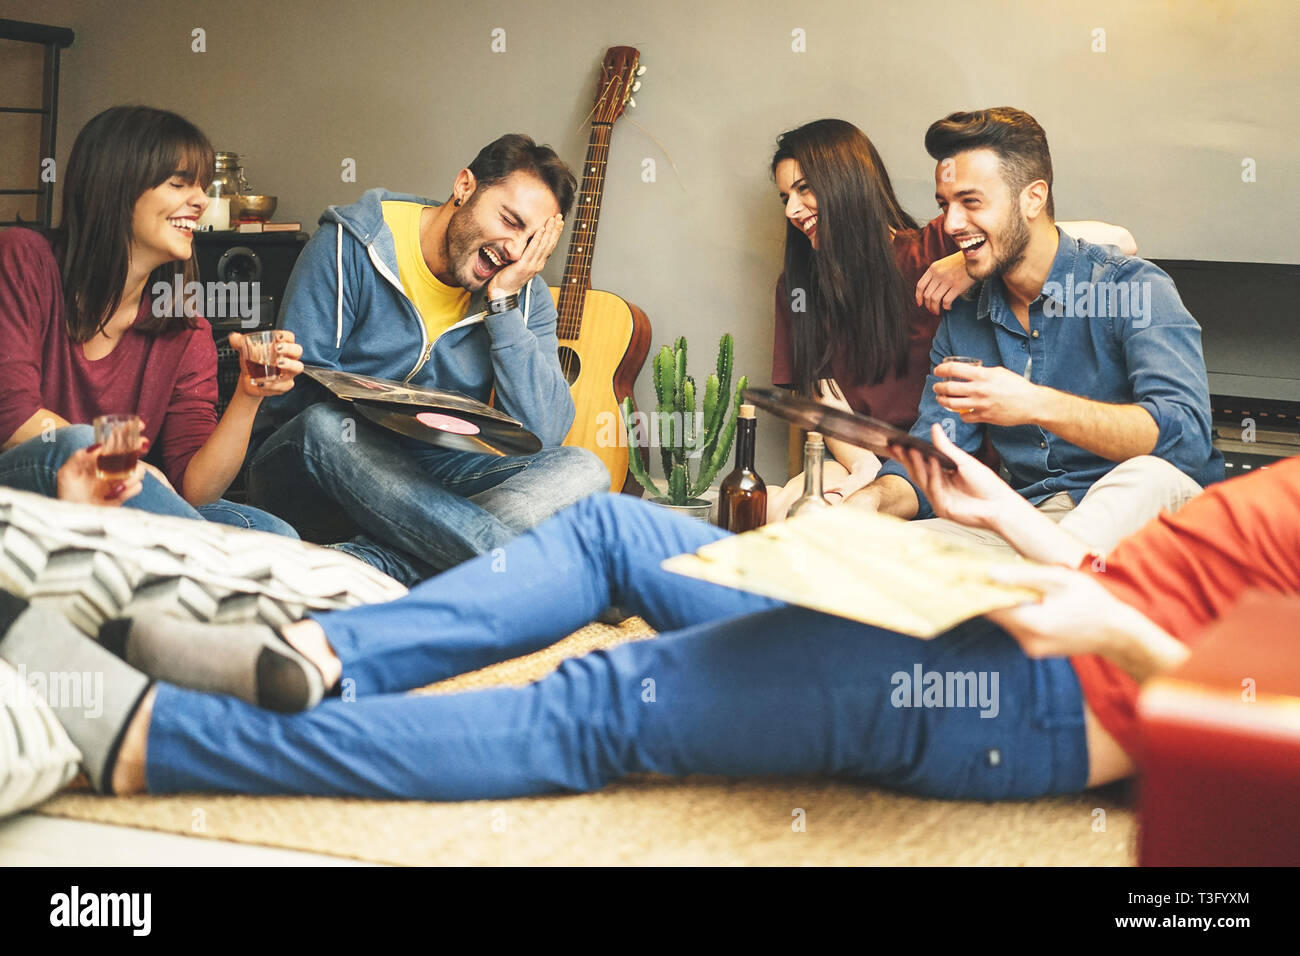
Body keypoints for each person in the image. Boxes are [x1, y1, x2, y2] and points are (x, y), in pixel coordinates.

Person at [3, 426, 1292, 803]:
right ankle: (323, 652)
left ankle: (153, 737)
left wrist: (1115, 639)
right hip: (1018, 604)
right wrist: (1000, 513)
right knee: (612, 523)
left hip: (1037, 698)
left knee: (608, 704)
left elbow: (1263, 758)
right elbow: (1199, 587)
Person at [843, 108, 1223, 555]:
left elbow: (1186, 440)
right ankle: (1033, 584)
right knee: (880, 551)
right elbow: (937, 454)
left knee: (1148, 475)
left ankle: (1040, 578)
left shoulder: (1133, 288)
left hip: (1151, 511)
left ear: (1033, 198)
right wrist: (867, 502)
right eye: (945, 205)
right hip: (1031, 519)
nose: (950, 224)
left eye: (971, 202)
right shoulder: (964, 316)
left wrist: (1035, 404)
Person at [244, 134, 610, 585]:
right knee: (324, 424)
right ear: (464, 186)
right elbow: (291, 398)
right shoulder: (350, 244)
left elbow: (545, 432)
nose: (515, 250)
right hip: (319, 465)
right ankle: (537, 579)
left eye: (532, 240)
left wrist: (502, 305)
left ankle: (377, 563)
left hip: (430, 473)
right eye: (510, 221)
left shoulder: (520, 291)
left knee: (582, 468)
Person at [768, 118, 1138, 518]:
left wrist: (970, 260)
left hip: (951, 453)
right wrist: (864, 469)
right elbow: (823, 398)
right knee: (787, 506)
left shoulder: (942, 244)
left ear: (847, 181)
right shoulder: (798, 287)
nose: (791, 209)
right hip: (862, 459)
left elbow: (1121, 240)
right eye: (785, 196)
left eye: (804, 189)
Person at [0, 106, 301, 535]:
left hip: (123, 499)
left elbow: (194, 490)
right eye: (179, 183)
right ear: (114, 188)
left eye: (201, 185)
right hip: (20, 490)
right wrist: (130, 465)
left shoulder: (185, 327)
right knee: (84, 445)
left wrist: (249, 395)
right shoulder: (23, 258)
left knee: (273, 535)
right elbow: (12, 416)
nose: (200, 200)